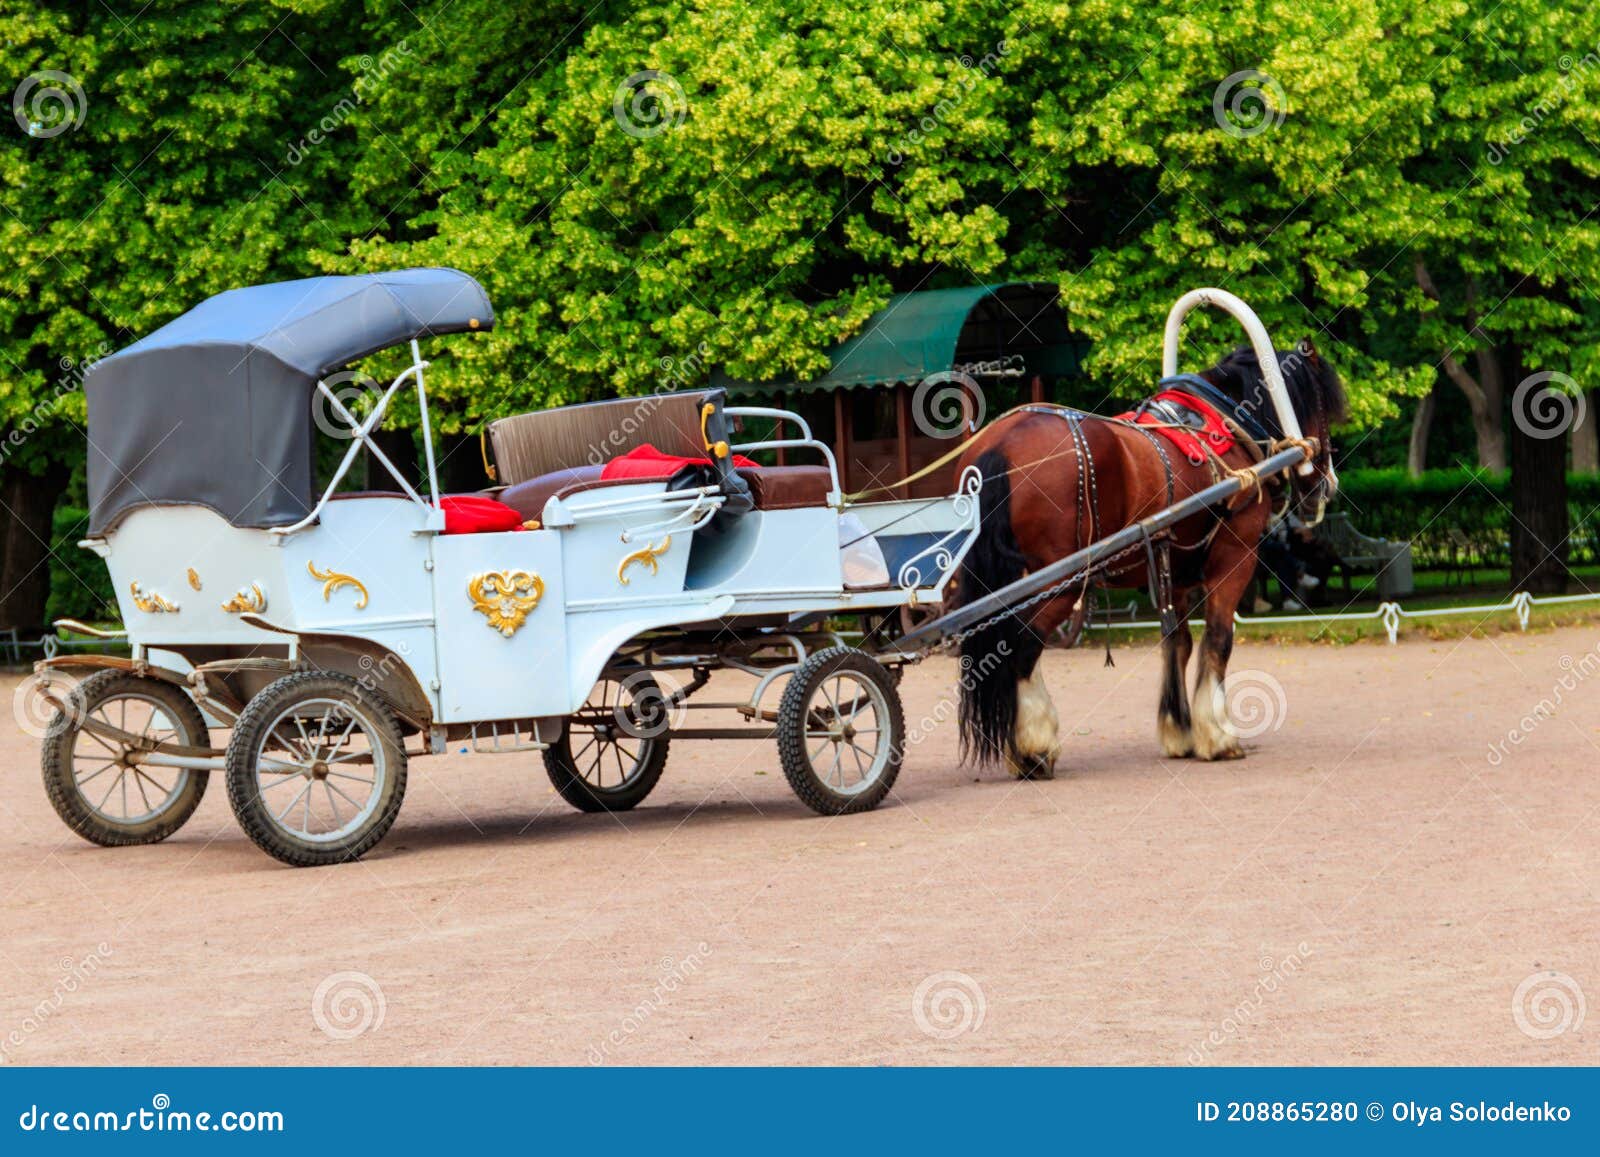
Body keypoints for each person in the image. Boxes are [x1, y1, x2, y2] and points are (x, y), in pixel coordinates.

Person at [1254, 511, 1321, 612]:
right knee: (1280, 551)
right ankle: (1300, 574)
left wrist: (1298, 530)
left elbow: (1279, 534)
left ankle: (1287, 601)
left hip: (1273, 556)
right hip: (1258, 557)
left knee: (1282, 562)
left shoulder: (1276, 517)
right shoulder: (1255, 518)